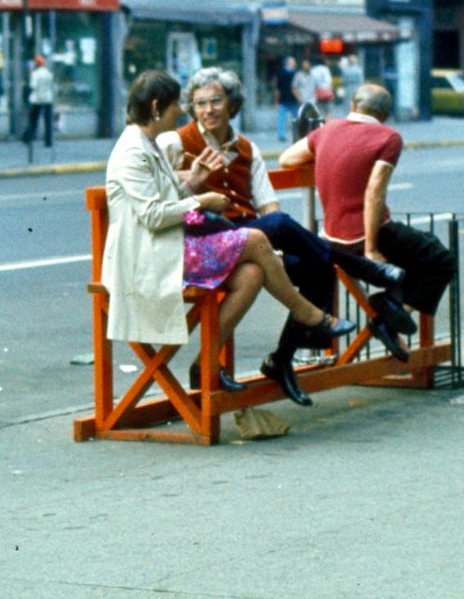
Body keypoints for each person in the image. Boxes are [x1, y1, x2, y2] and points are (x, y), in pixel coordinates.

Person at [102, 71, 356, 406]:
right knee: (255, 240)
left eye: (212, 101)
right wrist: (201, 200)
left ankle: (204, 365)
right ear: (155, 106)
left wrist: (192, 182)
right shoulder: (133, 151)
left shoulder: (146, 143)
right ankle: (308, 314)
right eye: (179, 103)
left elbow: (163, 197)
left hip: (172, 246)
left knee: (252, 273)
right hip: (151, 256)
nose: (182, 111)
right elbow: (151, 215)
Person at [159, 68, 403, 392]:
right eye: (200, 103)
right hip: (203, 243)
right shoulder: (174, 142)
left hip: (249, 240)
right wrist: (192, 182)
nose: (208, 110)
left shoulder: (247, 148)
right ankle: (359, 267)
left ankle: (282, 360)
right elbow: (153, 191)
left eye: (216, 100)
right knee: (280, 225)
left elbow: (267, 204)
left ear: (231, 103)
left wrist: (275, 251)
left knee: (317, 264)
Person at [279, 83, 456, 363]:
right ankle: (389, 313)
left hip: (330, 239)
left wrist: (328, 156)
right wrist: (372, 249)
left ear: (353, 105)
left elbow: (286, 158)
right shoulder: (388, 137)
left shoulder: (326, 130)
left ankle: (386, 317)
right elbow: (375, 192)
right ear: (385, 114)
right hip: (364, 238)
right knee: (441, 259)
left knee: (415, 251)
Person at [23, 55, 55, 147]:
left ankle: (30, 138)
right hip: (48, 99)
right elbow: (52, 87)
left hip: (37, 99)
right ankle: (48, 141)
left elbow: (33, 86)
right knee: (48, 121)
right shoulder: (49, 74)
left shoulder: (35, 74)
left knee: (33, 119)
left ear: (36, 64)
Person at [275, 56, 298, 142]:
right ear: (289, 63)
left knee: (282, 118)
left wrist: (277, 100)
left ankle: (281, 135)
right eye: (293, 62)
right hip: (292, 99)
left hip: (283, 99)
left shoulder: (281, 73)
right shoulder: (294, 74)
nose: (295, 63)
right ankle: (297, 133)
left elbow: (278, 88)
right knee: (295, 118)